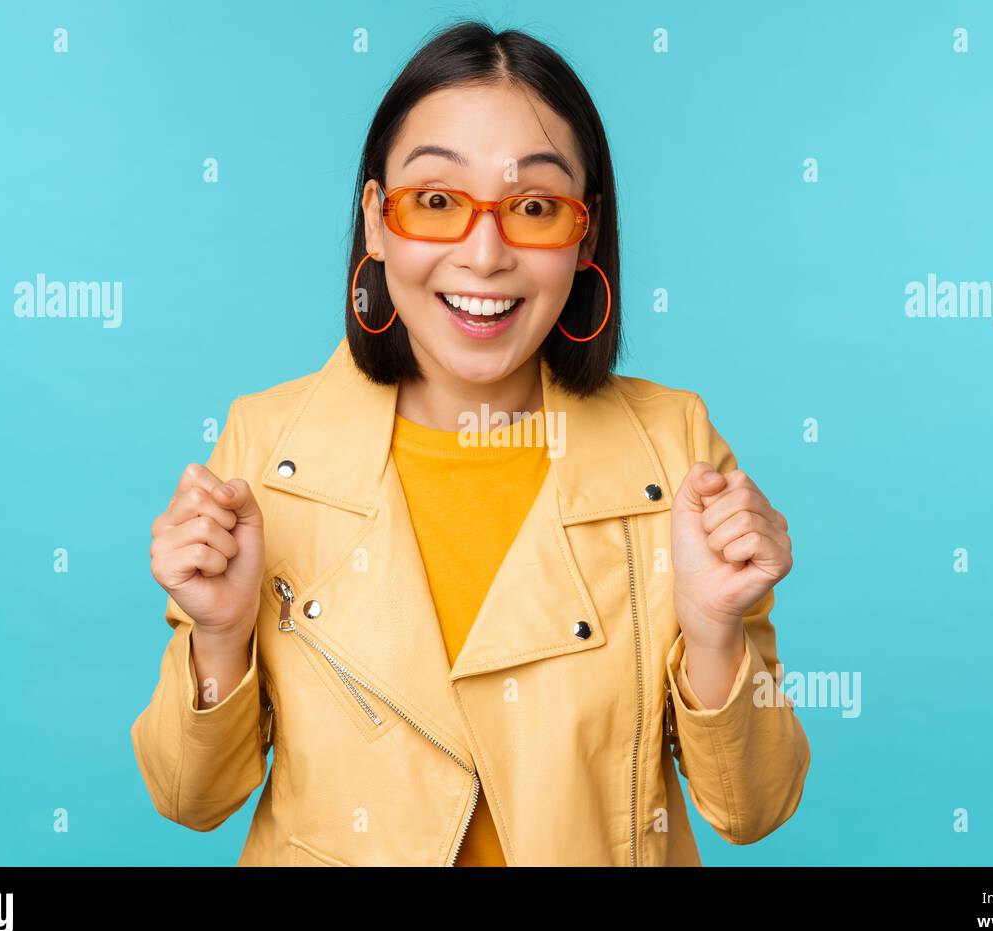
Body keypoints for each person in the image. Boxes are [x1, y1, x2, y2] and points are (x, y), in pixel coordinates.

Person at [132, 18, 809, 866]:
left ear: (584, 235)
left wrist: (715, 633)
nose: (484, 254)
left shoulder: (676, 448)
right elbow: (189, 800)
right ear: (376, 221)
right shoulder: (265, 448)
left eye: (534, 208)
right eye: (437, 202)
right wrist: (219, 639)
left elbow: (755, 808)